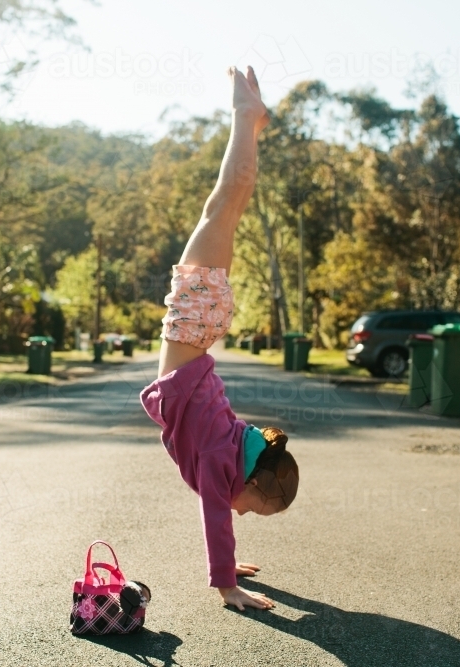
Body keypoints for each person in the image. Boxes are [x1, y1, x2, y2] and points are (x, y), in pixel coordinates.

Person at [139, 65, 299, 612]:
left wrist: (235, 563)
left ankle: (249, 123)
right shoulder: (218, 460)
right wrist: (228, 585)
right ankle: (243, 118)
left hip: (202, 324)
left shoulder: (235, 445)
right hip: (193, 321)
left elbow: (227, 508)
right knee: (225, 200)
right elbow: (215, 519)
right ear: (250, 479)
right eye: (251, 508)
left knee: (227, 204)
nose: (240, 512)